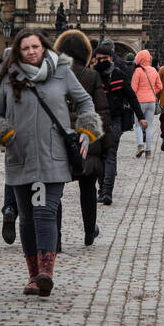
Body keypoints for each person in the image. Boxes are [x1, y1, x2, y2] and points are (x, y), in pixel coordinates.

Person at [0, 28, 100, 296]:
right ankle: (34, 275)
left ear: (44, 47)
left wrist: (86, 134)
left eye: (35, 47)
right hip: (20, 154)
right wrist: (4, 131)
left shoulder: (61, 71)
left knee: (45, 211)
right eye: (25, 48)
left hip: (54, 155)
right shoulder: (9, 77)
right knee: (26, 217)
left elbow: (85, 102)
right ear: (18, 52)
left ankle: (47, 271)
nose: (31, 52)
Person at [54, 30, 111, 246]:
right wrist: (104, 143)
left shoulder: (55, 74)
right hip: (85, 139)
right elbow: (102, 110)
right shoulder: (91, 75)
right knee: (88, 188)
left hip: (59, 137)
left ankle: (56, 239)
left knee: (55, 192)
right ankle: (89, 232)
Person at [92, 41, 143, 206]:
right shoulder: (92, 76)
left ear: (111, 58)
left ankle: (106, 191)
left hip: (114, 119)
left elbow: (131, 96)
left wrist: (141, 116)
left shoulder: (117, 75)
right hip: (96, 121)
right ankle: (102, 189)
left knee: (110, 155)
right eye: (98, 59)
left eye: (104, 58)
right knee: (101, 156)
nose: (101, 62)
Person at [130, 49, 161, 158]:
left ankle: (140, 146)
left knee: (138, 125)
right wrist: (152, 93)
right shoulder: (154, 70)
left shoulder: (138, 71)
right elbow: (159, 86)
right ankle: (148, 151)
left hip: (139, 101)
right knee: (149, 125)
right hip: (151, 101)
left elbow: (133, 88)